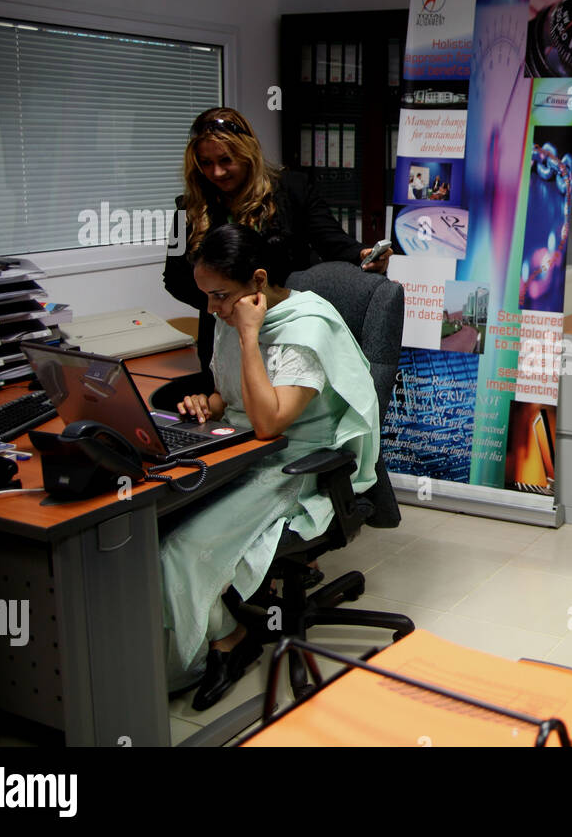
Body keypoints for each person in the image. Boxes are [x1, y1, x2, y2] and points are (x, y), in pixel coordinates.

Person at [161, 223, 380, 710]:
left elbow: (268, 422)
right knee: (154, 521)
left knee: (179, 547)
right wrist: (209, 404)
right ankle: (210, 623)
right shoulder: (231, 316)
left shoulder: (305, 329)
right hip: (239, 450)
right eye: (207, 297)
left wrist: (248, 336)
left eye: (221, 296)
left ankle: (230, 639)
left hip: (294, 467)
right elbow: (237, 398)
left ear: (258, 283)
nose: (213, 309)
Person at [164, 107, 392, 380]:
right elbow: (174, 279)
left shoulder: (292, 189)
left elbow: (332, 241)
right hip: (222, 336)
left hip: (287, 331)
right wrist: (225, 304)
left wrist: (363, 254)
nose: (218, 172)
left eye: (226, 160)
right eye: (206, 163)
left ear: (247, 153)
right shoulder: (184, 210)